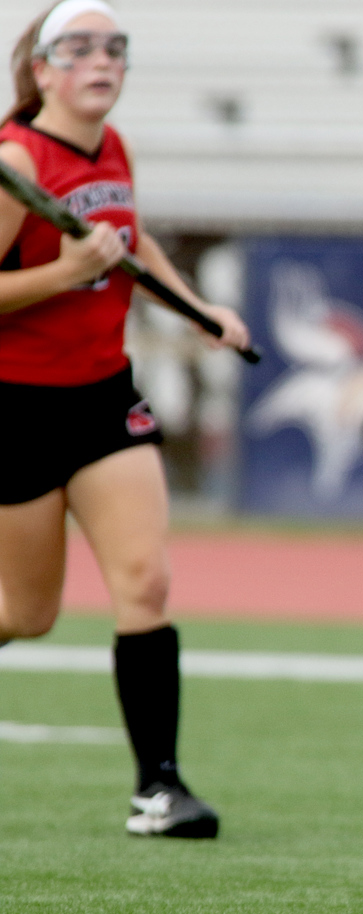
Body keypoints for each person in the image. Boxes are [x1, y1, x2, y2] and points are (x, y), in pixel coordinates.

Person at [0, 0, 251, 838]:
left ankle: (161, 789)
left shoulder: (113, 146)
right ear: (43, 69)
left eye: (115, 47)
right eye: (80, 48)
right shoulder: (16, 160)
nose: (102, 60)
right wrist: (64, 270)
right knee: (26, 616)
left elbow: (132, 242)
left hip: (105, 396)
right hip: (19, 411)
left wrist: (198, 308)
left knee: (144, 582)